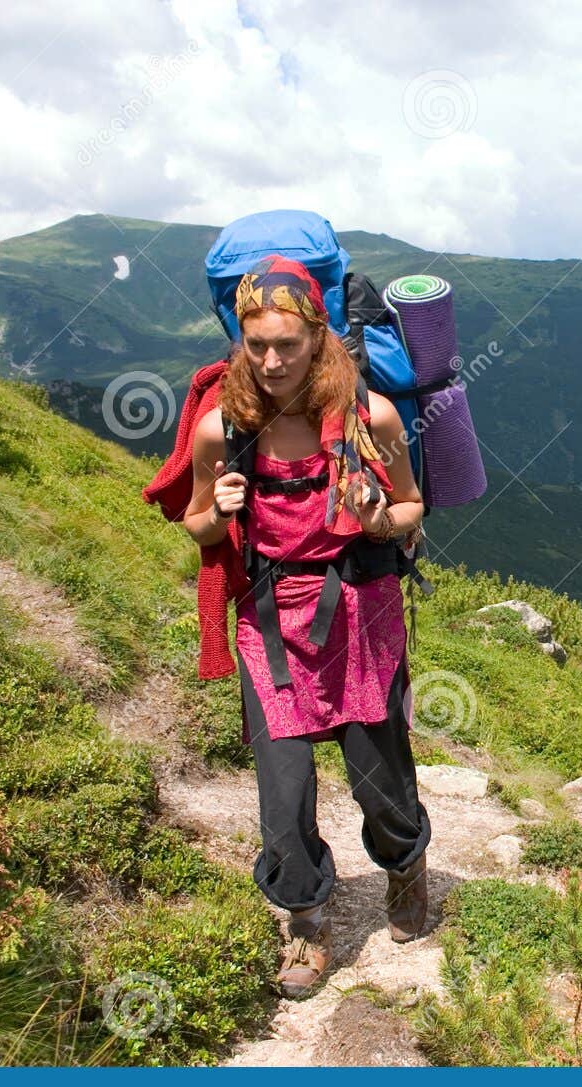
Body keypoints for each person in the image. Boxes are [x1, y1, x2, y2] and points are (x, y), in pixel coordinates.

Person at [180, 254, 433, 999]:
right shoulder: (221, 425)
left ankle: (404, 863)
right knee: (282, 794)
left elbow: (412, 510)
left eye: (287, 343)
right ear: (241, 338)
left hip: (360, 611)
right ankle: (306, 916)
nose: (271, 359)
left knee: (379, 781)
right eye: (256, 343)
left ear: (318, 334)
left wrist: (377, 516)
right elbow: (195, 524)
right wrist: (216, 513)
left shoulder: (370, 417)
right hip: (269, 623)